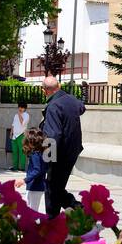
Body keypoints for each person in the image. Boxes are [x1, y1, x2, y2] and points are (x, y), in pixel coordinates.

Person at [41, 75, 86, 216]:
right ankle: (77, 208)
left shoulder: (53, 106)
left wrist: (46, 159)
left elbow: (53, 136)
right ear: (59, 86)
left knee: (51, 188)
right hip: (73, 150)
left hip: (59, 154)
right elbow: (82, 107)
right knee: (56, 187)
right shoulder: (72, 100)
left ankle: (53, 219)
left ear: (44, 91)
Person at [20, 126, 48, 211]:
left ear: (31, 142)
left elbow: (37, 170)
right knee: (31, 210)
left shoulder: (35, 154)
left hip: (34, 186)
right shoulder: (42, 153)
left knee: (31, 211)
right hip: (37, 186)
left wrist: (24, 180)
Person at [10, 101, 29, 173]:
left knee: (22, 152)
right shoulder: (15, 115)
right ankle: (15, 167)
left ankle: (22, 167)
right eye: (20, 107)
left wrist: (19, 114)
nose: (20, 108)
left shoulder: (26, 115)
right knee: (14, 152)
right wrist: (11, 133)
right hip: (14, 136)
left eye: (22, 107)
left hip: (21, 135)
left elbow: (22, 123)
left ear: (25, 108)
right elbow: (13, 124)